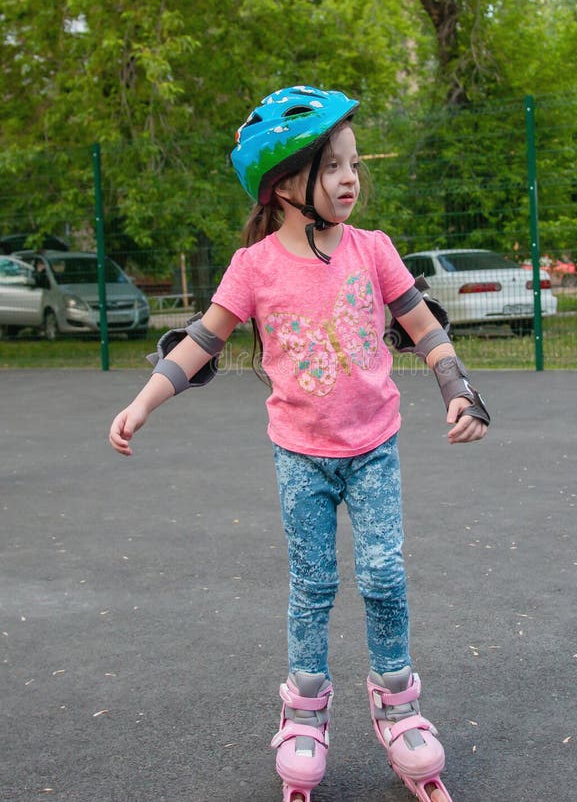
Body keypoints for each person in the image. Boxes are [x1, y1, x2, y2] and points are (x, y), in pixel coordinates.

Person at [109, 86, 490, 802]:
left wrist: (459, 390)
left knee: (383, 576)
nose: (350, 179)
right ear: (283, 183)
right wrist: (143, 402)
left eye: (354, 165)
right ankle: (305, 715)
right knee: (312, 586)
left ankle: (398, 707)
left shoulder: (373, 250)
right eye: (333, 166)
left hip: (373, 447)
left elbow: (423, 327)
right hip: (300, 456)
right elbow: (201, 342)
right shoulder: (253, 266)